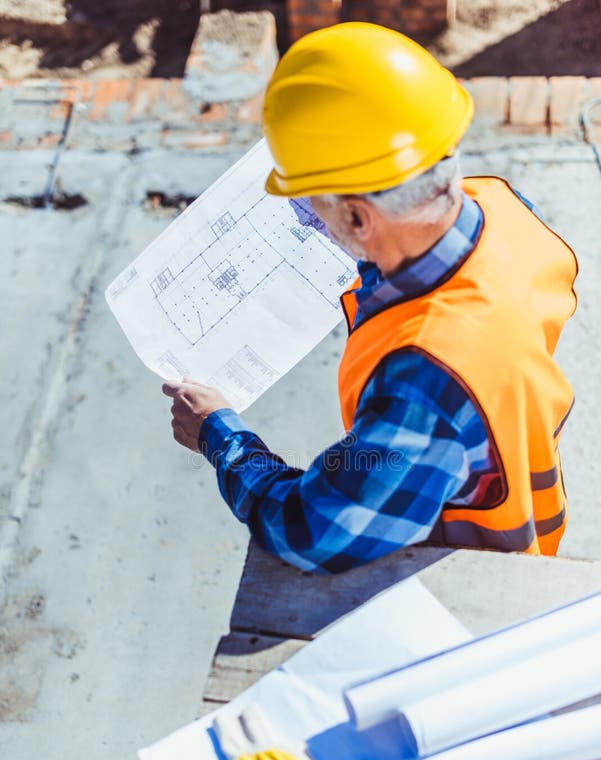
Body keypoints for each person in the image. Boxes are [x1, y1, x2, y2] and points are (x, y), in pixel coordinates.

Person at [163, 22, 578, 574]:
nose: (307, 218)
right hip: (498, 473)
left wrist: (220, 435)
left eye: (312, 207)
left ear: (360, 215)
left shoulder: (424, 384)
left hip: (463, 565)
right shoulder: (505, 208)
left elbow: (310, 530)